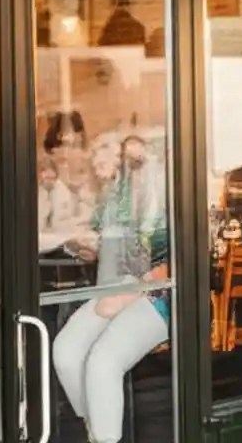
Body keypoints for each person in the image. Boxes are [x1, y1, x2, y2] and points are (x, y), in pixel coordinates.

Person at [52, 133, 169, 443]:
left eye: (103, 156)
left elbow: (178, 260)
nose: (96, 163)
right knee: (65, 352)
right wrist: (83, 247)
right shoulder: (110, 197)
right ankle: (97, 430)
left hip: (159, 293)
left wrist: (127, 295)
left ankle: (105, 436)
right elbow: (101, 248)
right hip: (113, 289)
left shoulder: (156, 197)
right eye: (95, 158)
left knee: (103, 363)